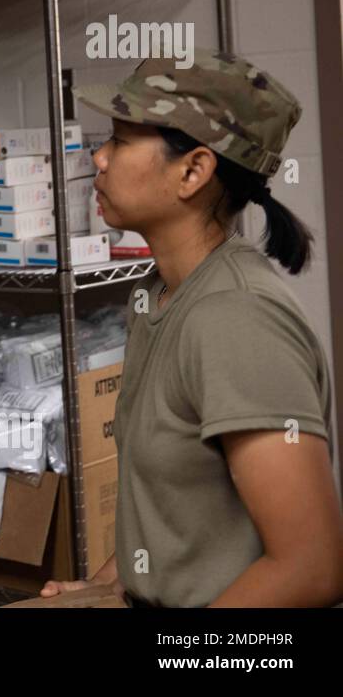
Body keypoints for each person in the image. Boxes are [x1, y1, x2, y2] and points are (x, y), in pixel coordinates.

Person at [39, 48, 343, 607]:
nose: (99, 158)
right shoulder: (159, 294)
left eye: (119, 142)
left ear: (193, 171)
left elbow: (311, 568)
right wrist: (104, 586)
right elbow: (176, 510)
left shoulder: (236, 318)